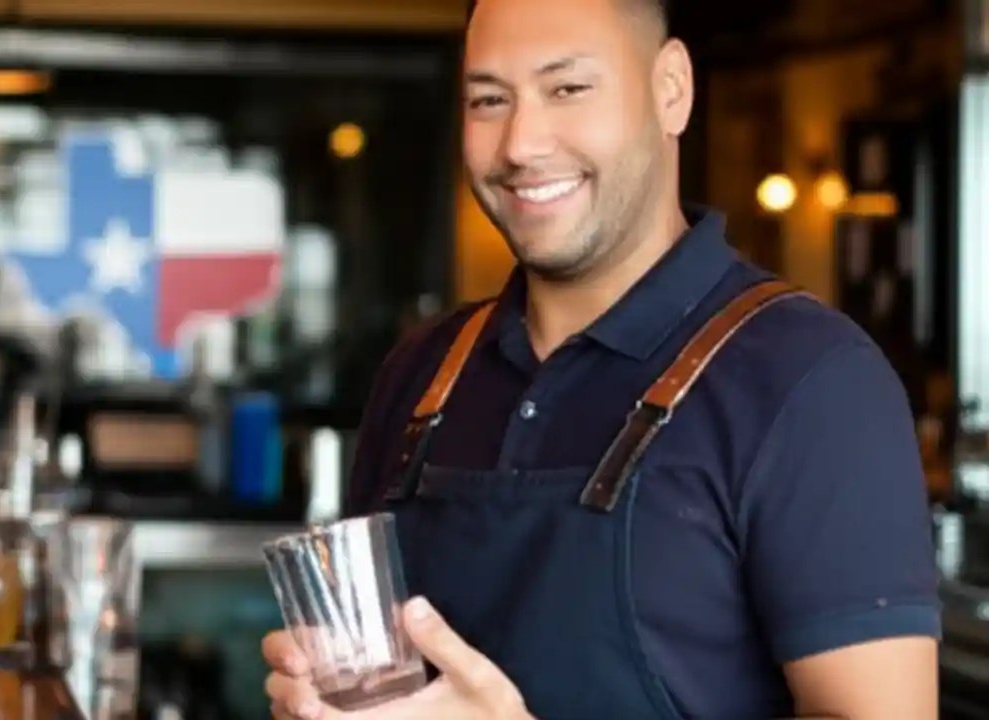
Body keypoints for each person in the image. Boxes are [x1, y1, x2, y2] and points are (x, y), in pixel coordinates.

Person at [263, 0, 942, 717]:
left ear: (671, 89)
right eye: (489, 100)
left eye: (568, 89)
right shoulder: (422, 375)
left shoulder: (815, 381)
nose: (521, 143)